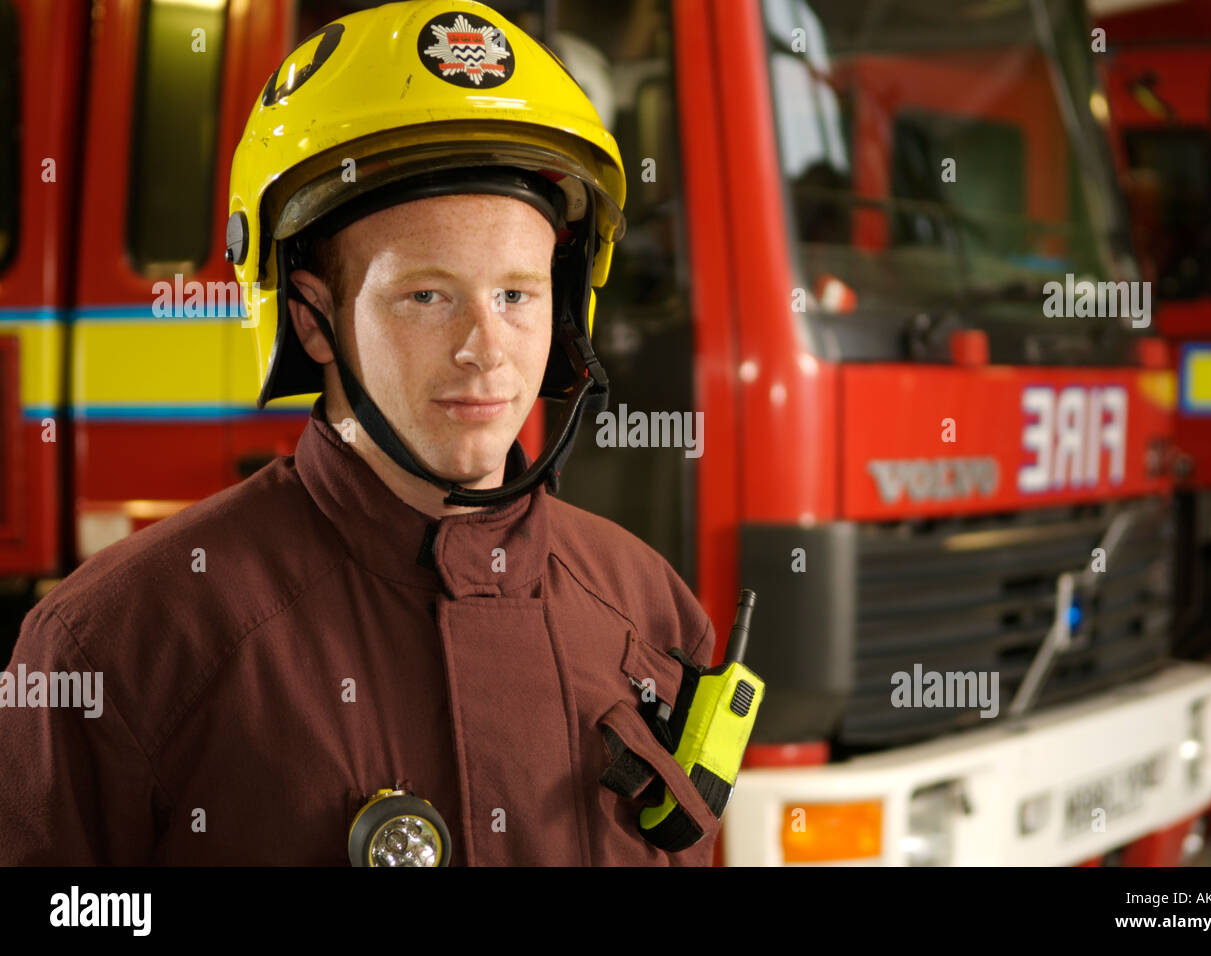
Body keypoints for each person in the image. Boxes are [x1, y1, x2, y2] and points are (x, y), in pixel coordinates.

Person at [0, 0, 718, 866]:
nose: (485, 350)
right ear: (311, 320)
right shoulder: (117, 644)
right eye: (426, 296)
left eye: (517, 296)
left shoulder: (654, 613)